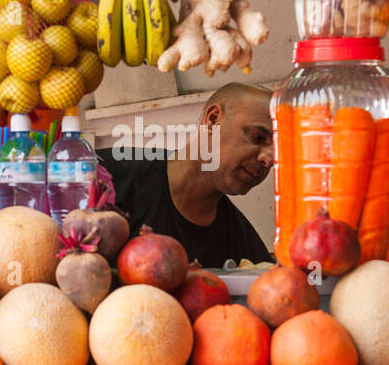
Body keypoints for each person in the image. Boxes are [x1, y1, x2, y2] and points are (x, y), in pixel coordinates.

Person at [98, 83, 274, 269]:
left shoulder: (241, 243)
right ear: (213, 120)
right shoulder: (103, 176)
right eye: (257, 137)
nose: (269, 159)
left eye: (279, 149)